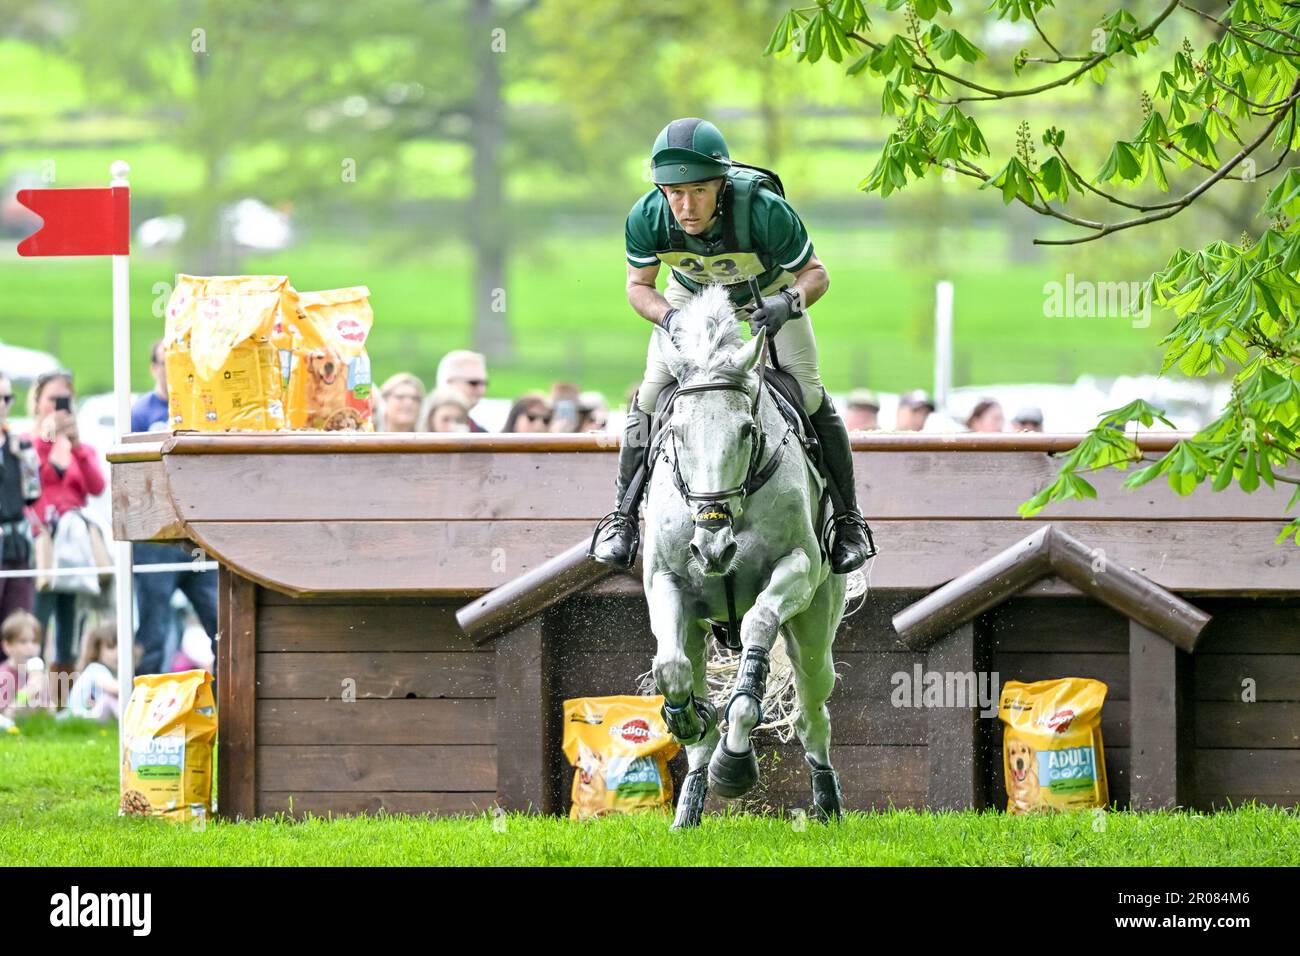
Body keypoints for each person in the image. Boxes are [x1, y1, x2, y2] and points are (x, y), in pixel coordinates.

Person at [588, 117, 874, 573]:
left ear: (721, 183)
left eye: (699, 190)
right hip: (691, 298)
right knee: (647, 394)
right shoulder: (646, 216)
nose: (686, 206)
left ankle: (848, 520)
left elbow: (817, 274)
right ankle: (622, 516)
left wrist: (788, 302)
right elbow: (638, 286)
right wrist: (671, 317)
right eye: (674, 193)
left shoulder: (763, 210)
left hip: (768, 294)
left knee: (810, 391)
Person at [27, 370, 104, 683]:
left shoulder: (77, 449)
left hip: (73, 544)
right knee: (37, 618)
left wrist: (76, 445)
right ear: (37, 404)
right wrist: (47, 439)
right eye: (52, 400)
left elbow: (95, 485)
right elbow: (31, 478)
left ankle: (62, 699)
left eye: (65, 400)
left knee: (71, 620)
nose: (58, 408)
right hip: (42, 542)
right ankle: (30, 690)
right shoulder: (27, 443)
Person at [0, 372, 39, 655]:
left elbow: (32, 493)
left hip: (15, 546)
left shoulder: (19, 444)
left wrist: (26, 461)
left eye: (7, 397)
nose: (3, 403)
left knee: (17, 624)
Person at [66, 622, 119, 721]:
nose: (117, 653)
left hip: (86, 715)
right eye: (110, 647)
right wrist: (134, 687)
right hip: (82, 715)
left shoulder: (99, 669)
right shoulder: (96, 668)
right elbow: (112, 687)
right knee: (108, 699)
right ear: (97, 649)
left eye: (121, 647)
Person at [0, 609, 45, 723]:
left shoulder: (37, 675)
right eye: (23, 641)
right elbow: (6, 715)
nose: (30, 647)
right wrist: (26, 693)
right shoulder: (4, 676)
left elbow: (49, 714)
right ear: (7, 646)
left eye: (35, 641)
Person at [435, 351, 489, 432]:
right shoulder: (417, 430)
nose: (482, 389)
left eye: (484, 384)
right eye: (474, 383)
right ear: (450, 382)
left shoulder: (480, 433)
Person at [131, 340, 172, 433]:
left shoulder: (195, 408)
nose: (173, 368)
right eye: (166, 363)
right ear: (154, 368)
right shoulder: (139, 413)